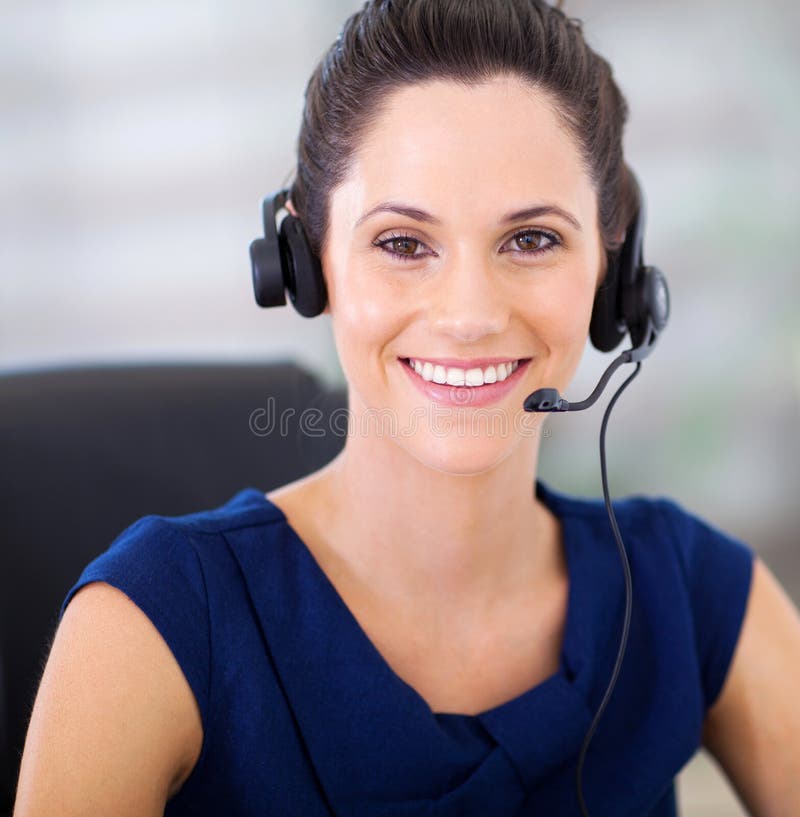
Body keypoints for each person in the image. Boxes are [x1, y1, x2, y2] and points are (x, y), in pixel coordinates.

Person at [13, 1, 800, 815]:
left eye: (531, 239)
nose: (469, 314)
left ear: (616, 275)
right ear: (304, 264)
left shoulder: (689, 586)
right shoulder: (152, 621)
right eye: (402, 243)